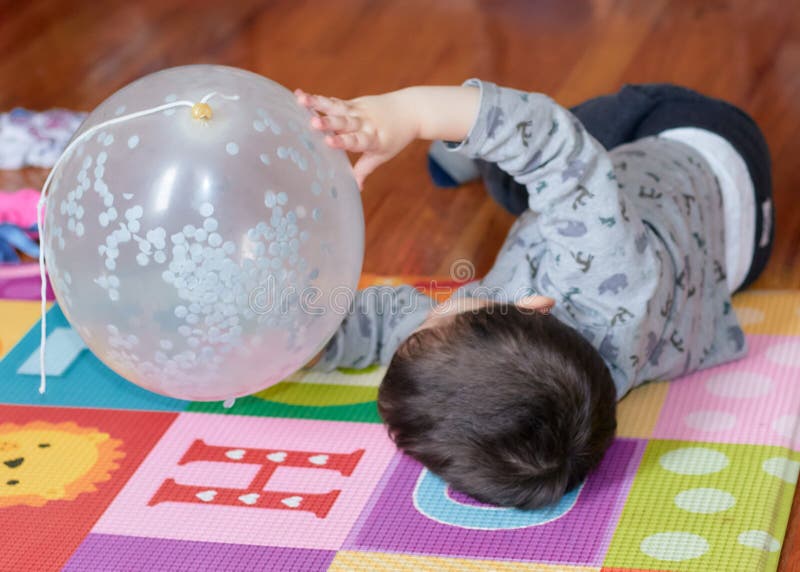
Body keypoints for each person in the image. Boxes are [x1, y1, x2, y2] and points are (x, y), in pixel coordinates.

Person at [294, 79, 773, 509]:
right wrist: (411, 115)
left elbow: (389, 322)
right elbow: (551, 141)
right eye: (442, 314)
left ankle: (474, 151)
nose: (428, 310)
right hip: (705, 144)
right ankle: (472, 150)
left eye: (422, 327)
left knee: (518, 184)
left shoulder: (553, 381)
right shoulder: (607, 270)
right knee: (539, 162)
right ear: (534, 304)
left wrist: (296, 344)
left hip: (730, 263)